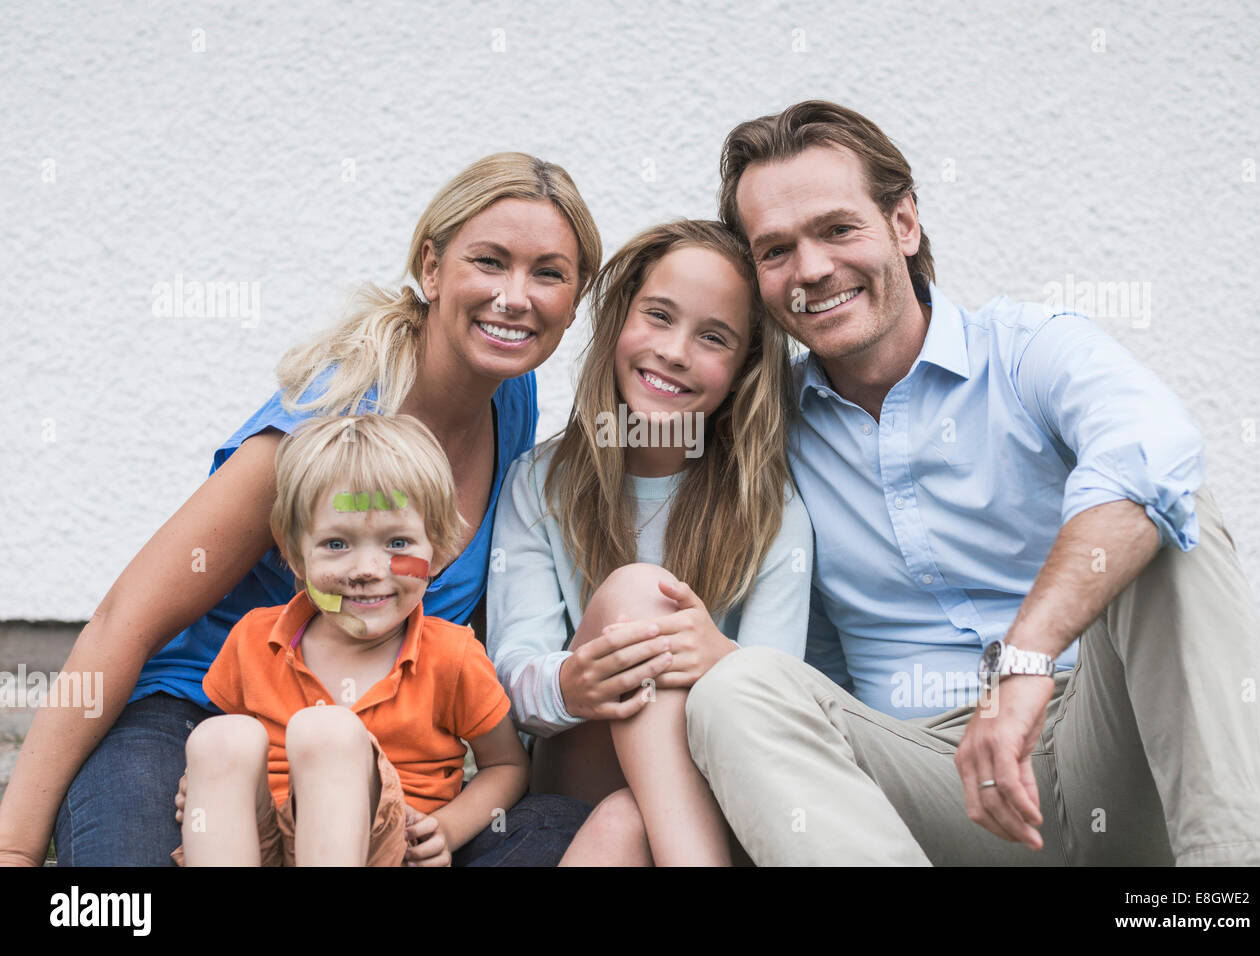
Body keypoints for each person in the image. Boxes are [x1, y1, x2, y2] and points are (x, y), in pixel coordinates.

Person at [684, 100, 1260, 866]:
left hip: (1110, 745)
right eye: (776, 250)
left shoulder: (1027, 350)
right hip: (928, 788)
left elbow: (1152, 449)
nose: (810, 269)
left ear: (903, 223)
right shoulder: (766, 429)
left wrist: (1026, 663)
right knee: (734, 689)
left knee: (1171, 518)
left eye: (838, 229)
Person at [0, 152, 602, 867]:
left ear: (576, 297)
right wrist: (13, 845)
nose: (514, 297)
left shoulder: (510, 398)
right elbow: (122, 619)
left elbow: (456, 652)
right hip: (212, 722)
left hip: (374, 752)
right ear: (432, 269)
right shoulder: (322, 420)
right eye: (490, 262)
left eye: (548, 273)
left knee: (563, 835)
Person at [487, 220, 813, 865]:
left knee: (625, 821)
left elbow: (778, 705)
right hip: (573, 775)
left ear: (745, 367)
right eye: (658, 316)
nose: (674, 351)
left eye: (713, 337)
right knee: (640, 591)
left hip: (711, 783)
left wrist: (719, 657)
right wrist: (572, 684)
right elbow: (511, 670)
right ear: (618, 321)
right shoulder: (540, 482)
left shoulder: (770, 509)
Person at [174, 413, 529, 866]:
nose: (366, 569)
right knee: (219, 737)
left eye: (397, 543)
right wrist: (204, 778)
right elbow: (232, 761)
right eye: (337, 544)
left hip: (385, 845)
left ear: (438, 548)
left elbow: (508, 766)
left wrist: (449, 828)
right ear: (293, 550)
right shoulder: (254, 639)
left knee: (327, 730)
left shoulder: (452, 655)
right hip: (264, 844)